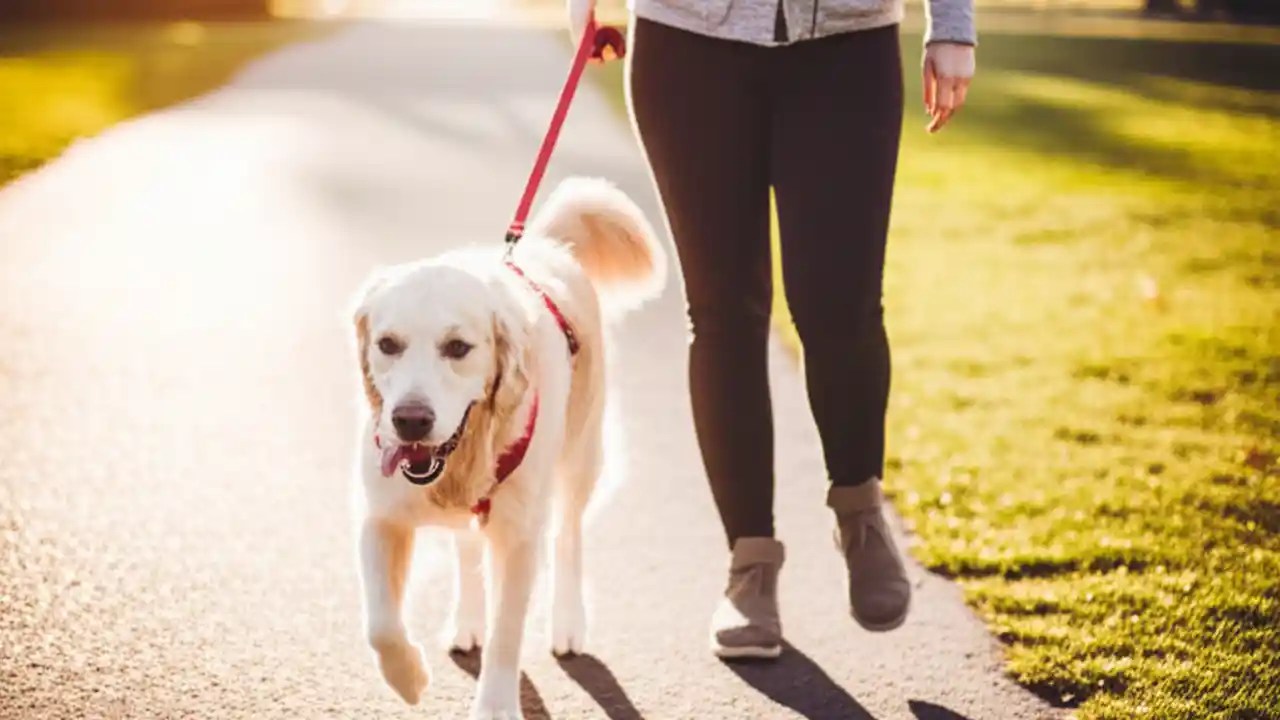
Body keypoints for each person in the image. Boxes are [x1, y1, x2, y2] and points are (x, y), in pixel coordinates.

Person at [570, 0, 976, 659]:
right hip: (686, 39)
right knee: (723, 312)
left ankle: (859, 511)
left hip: (846, 43)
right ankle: (750, 566)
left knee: (839, 307)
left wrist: (952, 22)